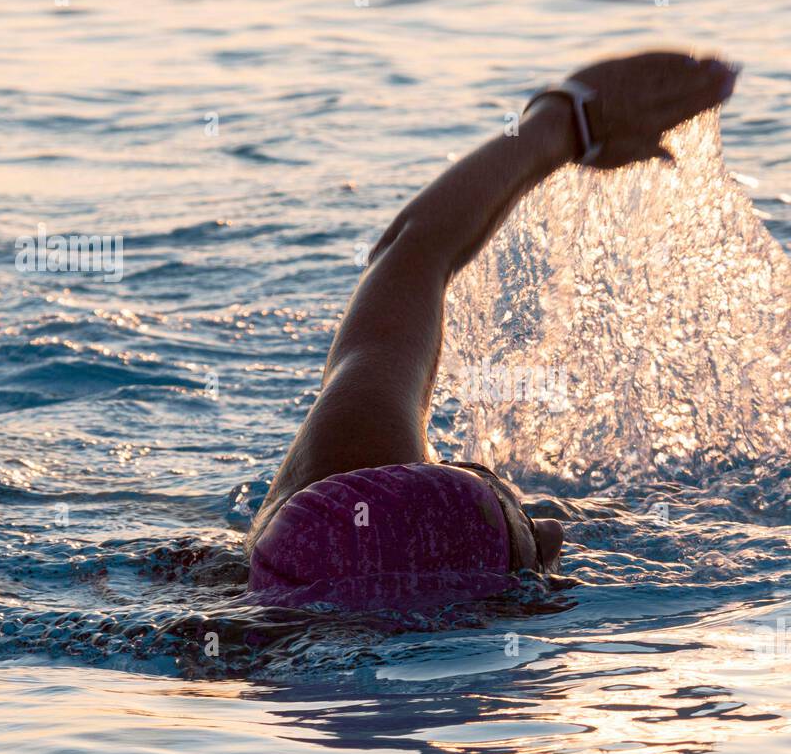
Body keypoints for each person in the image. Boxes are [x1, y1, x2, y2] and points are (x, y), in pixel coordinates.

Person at [246, 51, 739, 611]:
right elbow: (413, 251)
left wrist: (570, 124)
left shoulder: (344, 496)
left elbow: (414, 253)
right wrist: (566, 122)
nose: (550, 528)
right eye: (522, 533)